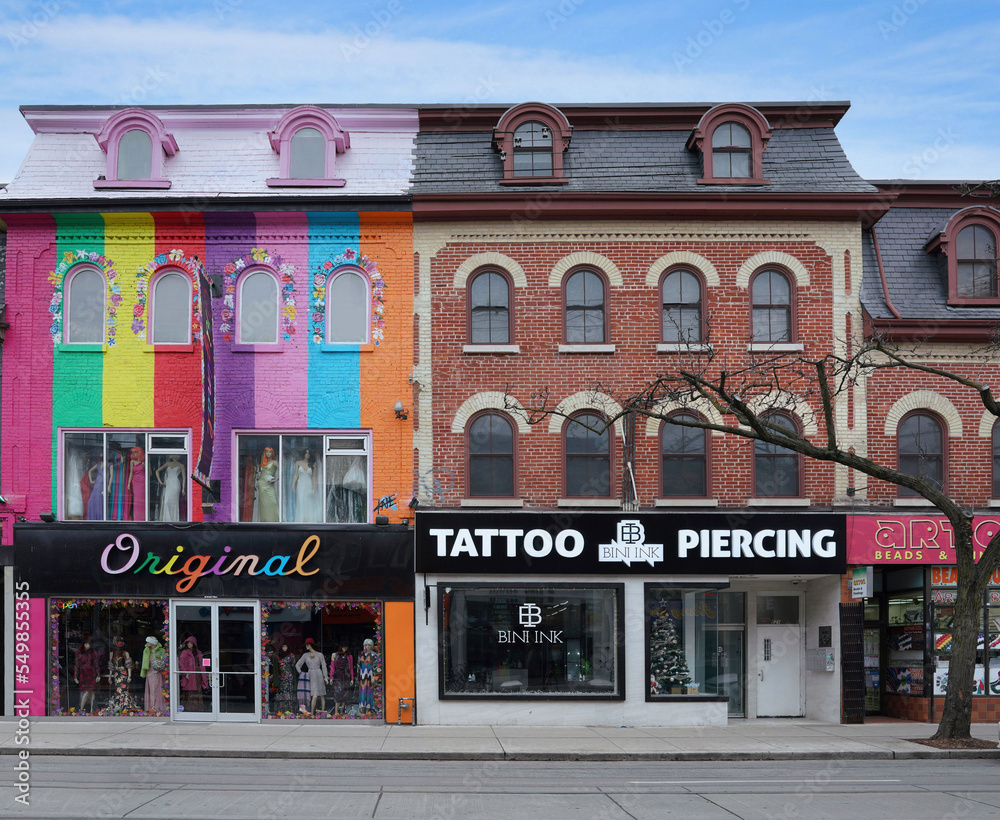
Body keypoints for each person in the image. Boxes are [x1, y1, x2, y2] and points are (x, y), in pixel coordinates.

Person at [295, 638, 328, 716]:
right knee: (314, 694)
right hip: (310, 675)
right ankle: (312, 713)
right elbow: (297, 665)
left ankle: (323, 712)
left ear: (311, 645)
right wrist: (302, 674)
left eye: (308, 644)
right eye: (306, 644)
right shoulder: (305, 655)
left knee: (322, 694)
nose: (306, 646)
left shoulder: (320, 655)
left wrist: (325, 677)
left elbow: (324, 666)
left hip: (319, 674)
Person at [106, 636, 138, 715]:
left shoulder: (125, 653)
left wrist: (129, 676)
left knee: (123, 690)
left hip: (123, 673)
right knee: (117, 690)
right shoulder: (111, 654)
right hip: (116, 674)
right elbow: (111, 666)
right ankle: (118, 706)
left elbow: (129, 665)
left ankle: (125, 706)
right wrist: (110, 676)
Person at [178, 635, 208, 711]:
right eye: (188, 643)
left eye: (191, 643)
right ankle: (189, 708)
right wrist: (185, 673)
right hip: (190, 674)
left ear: (194, 644)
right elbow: (181, 663)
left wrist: (204, 675)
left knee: (197, 690)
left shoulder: (198, 652)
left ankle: (198, 708)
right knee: (190, 691)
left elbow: (202, 664)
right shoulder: (184, 652)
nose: (189, 645)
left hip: (197, 674)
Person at [291, 448, 321, 522]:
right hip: (300, 485)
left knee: (308, 503)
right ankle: (300, 520)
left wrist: (314, 488)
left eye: (308, 453)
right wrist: (293, 484)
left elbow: (314, 477)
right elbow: (296, 474)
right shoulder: (298, 463)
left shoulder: (313, 465)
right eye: (306, 453)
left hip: (308, 485)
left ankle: (308, 520)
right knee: (300, 502)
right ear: (303, 454)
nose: (307, 455)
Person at [140, 636, 167, 715]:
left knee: (156, 689)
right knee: (151, 689)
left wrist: (160, 664)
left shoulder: (161, 650)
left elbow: (165, 660)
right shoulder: (146, 650)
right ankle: (151, 707)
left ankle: (156, 707)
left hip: (157, 672)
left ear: (152, 643)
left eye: (149, 642)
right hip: (149, 672)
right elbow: (144, 662)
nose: (147, 643)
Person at [73, 637, 100, 714]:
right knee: (86, 691)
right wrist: (75, 676)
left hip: (91, 674)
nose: (88, 645)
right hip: (83, 674)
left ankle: (92, 710)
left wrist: (98, 675)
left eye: (89, 644)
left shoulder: (93, 652)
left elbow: (96, 664)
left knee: (91, 691)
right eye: (86, 644)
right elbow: (76, 665)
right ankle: (81, 709)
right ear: (84, 644)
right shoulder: (79, 653)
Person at [273, 641, 299, 715]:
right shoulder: (278, 656)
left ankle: (290, 711)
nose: (285, 648)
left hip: (289, 679)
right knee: (282, 694)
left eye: (286, 646)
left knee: (289, 694)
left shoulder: (291, 656)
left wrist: (295, 680)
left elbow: (294, 668)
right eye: (283, 646)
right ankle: (281, 711)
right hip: (281, 679)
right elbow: (275, 667)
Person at [156, 454, 184, 522]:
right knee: (166, 502)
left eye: (171, 454)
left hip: (175, 484)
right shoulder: (167, 464)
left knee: (174, 502)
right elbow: (157, 471)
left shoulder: (181, 465)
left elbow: (184, 478)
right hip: (168, 483)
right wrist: (160, 481)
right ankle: (167, 519)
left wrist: (183, 488)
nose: (169, 455)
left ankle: (174, 520)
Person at [329, 642, 354, 717]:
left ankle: (342, 712)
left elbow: (351, 668)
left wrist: (352, 678)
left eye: (346, 647)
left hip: (346, 676)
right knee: (337, 694)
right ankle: (336, 712)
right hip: (337, 676)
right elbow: (332, 667)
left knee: (344, 694)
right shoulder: (334, 655)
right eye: (343, 647)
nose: (345, 649)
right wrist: (331, 677)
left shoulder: (349, 656)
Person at [256, 446, 279, 522]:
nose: (268, 453)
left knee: (273, 502)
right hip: (261, 484)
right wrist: (258, 478)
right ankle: (265, 521)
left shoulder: (274, 462)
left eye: (270, 452)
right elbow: (262, 473)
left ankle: (274, 520)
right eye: (266, 452)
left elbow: (282, 471)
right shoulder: (264, 463)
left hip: (269, 484)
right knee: (264, 504)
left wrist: (276, 479)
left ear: (272, 453)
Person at [357, 638, 377, 716]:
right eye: (365, 645)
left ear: (371, 646)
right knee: (362, 691)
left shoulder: (374, 655)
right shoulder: (361, 654)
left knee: (370, 691)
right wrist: (358, 676)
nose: (367, 647)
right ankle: (362, 709)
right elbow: (358, 666)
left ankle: (369, 709)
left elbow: (376, 666)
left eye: (369, 645)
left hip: (370, 675)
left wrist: (375, 677)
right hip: (362, 675)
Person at [127, 446, 145, 521]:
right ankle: (137, 518)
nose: (134, 454)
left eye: (136, 452)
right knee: (136, 500)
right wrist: (128, 484)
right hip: (135, 482)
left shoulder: (144, 462)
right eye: (133, 453)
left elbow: (150, 474)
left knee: (142, 500)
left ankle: (144, 518)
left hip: (143, 482)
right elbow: (131, 473)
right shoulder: (132, 462)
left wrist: (145, 467)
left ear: (139, 453)